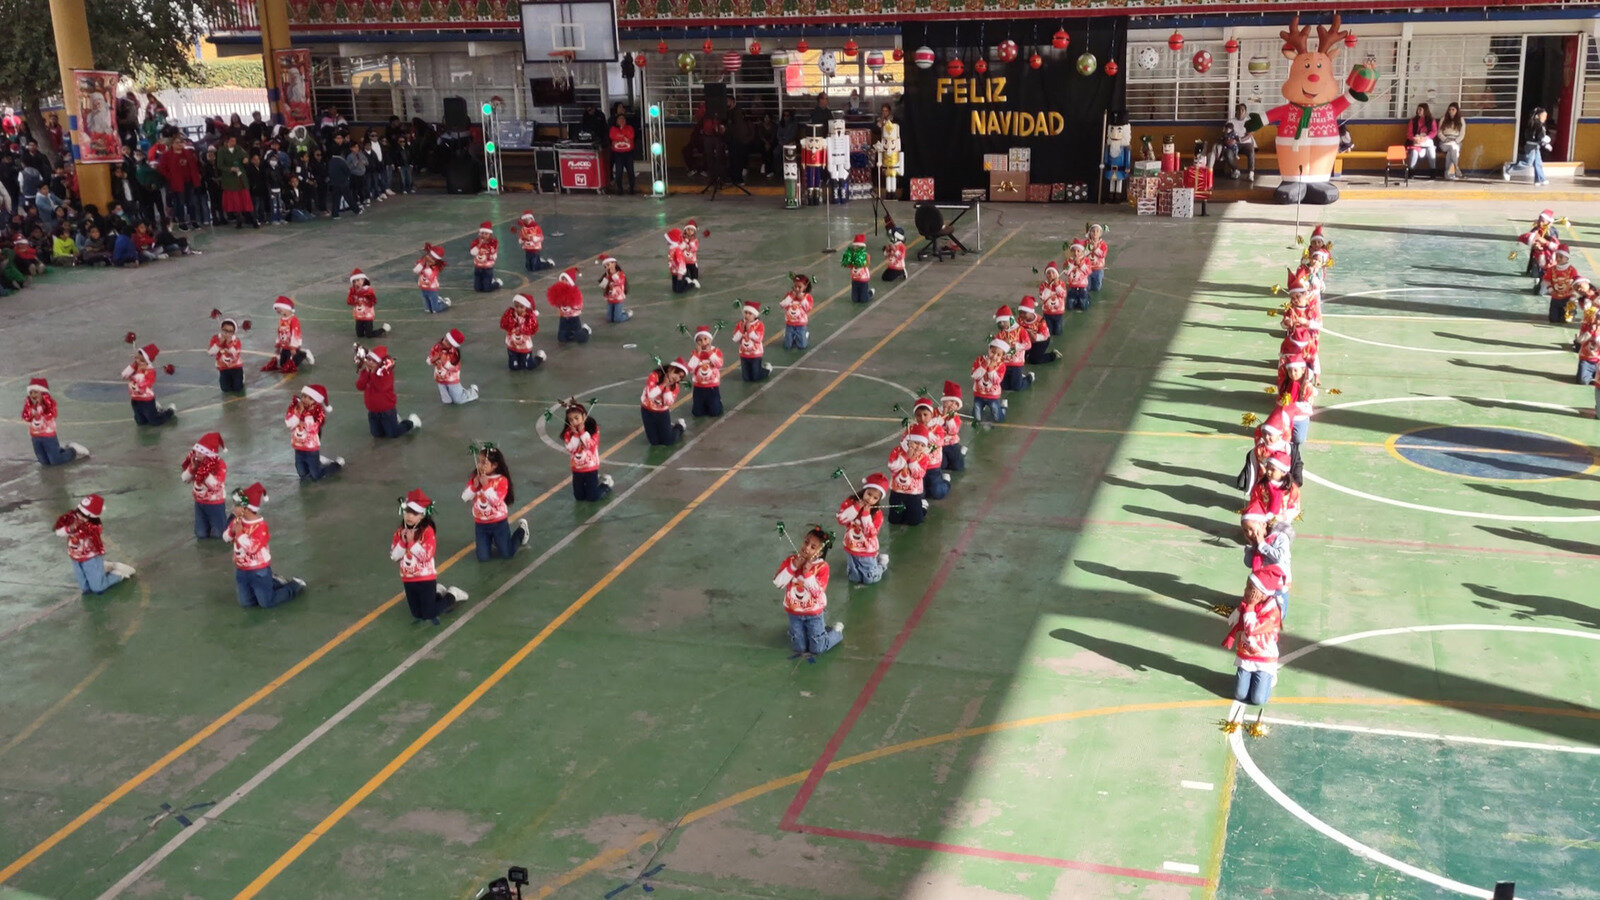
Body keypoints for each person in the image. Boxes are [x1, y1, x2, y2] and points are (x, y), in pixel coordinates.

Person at [1220, 568, 1284, 736]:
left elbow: (1252, 628)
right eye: (1247, 586)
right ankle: (1250, 679)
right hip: (1247, 656)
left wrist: (1249, 607)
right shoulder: (1246, 606)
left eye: (1250, 588)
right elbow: (1238, 621)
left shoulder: (1272, 612)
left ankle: (1269, 677)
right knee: (1240, 694)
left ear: (1262, 593)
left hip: (1264, 658)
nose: (1246, 591)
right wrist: (1241, 610)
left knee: (1258, 700)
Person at [391, 489, 468, 625]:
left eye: (414, 513)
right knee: (417, 614)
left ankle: (452, 595)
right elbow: (394, 556)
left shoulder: (427, 532)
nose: (409, 516)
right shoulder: (399, 532)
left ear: (421, 516)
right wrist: (403, 542)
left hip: (425, 578)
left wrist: (412, 543)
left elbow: (426, 556)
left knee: (428, 614)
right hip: (408, 578)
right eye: (407, 512)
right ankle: (438, 592)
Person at [225, 483, 306, 609]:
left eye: (236, 505)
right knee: (246, 603)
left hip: (258, 570)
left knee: (267, 602)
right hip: (241, 570)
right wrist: (232, 531)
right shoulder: (237, 521)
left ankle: (294, 586)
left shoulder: (260, 527)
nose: (233, 508)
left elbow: (252, 548)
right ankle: (271, 583)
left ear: (246, 509)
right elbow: (226, 537)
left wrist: (240, 533)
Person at [773, 525, 844, 659]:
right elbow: (778, 583)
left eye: (813, 547)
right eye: (806, 542)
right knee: (799, 648)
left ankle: (835, 633)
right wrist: (793, 567)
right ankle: (809, 633)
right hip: (794, 613)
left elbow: (818, 593)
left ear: (820, 552)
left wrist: (808, 575)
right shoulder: (791, 561)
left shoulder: (822, 567)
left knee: (817, 649)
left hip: (814, 613)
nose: (806, 548)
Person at [55, 494, 136, 594]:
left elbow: (90, 532)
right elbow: (59, 532)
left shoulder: (94, 525)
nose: (79, 516)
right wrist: (70, 528)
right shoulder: (70, 518)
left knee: (98, 588)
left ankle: (118, 574)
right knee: (85, 588)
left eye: (83, 515)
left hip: (91, 557)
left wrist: (79, 527)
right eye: (79, 512)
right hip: (75, 557)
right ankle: (101, 569)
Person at [463, 446, 530, 561]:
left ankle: (522, 530)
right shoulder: (476, 477)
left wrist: (486, 485)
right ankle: (492, 540)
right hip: (481, 524)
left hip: (498, 523)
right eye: (479, 461)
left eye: (484, 462)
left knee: (507, 554)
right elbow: (465, 497)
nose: (479, 465)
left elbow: (496, 501)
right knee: (483, 558)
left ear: (494, 465)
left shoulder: (501, 480)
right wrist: (474, 487)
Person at [355, 345, 422, 438]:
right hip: (373, 411)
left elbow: (381, 387)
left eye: (373, 361)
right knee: (376, 434)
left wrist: (373, 373)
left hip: (387, 410)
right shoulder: (366, 372)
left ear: (380, 363)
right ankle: (393, 422)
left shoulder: (386, 374)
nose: (369, 363)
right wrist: (367, 373)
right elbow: (359, 386)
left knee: (393, 434)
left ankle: (411, 423)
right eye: (369, 360)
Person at [836, 473, 890, 584]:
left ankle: (882, 564)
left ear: (878, 500)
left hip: (867, 549)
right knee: (853, 578)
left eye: (875, 498)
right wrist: (856, 507)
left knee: (870, 579)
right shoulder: (851, 502)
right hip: (851, 546)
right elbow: (841, 520)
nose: (870, 499)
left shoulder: (877, 513)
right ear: (864, 491)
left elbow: (871, 533)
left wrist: (866, 515)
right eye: (869, 494)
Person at [23, 378, 89, 466]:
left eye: (36, 392)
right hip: (35, 436)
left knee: (56, 461)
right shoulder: (30, 406)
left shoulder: (48, 405)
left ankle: (73, 450)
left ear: (42, 393)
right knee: (44, 462)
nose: (33, 395)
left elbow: (50, 414)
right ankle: (59, 451)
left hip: (48, 435)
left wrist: (41, 408)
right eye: (31, 393)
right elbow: (27, 417)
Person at [284, 384, 343, 482]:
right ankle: (315, 462)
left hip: (311, 446)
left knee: (316, 476)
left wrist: (305, 418)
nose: (305, 399)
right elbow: (289, 423)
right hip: (298, 446)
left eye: (310, 398)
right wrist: (298, 412)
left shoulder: (318, 410)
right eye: (304, 396)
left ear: (315, 400)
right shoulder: (296, 406)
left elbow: (316, 427)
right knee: (302, 474)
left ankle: (335, 465)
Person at [560, 400, 613, 501]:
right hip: (577, 467)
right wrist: (575, 435)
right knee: (579, 497)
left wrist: (582, 432)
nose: (574, 422)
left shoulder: (593, 429)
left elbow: (591, 446)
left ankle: (606, 484)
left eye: (577, 418)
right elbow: (571, 449)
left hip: (591, 466)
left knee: (593, 498)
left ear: (584, 416)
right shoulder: (569, 432)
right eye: (571, 420)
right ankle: (591, 486)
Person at [180, 432, 229, 540]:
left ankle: (231, 522)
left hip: (215, 502)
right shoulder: (196, 463)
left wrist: (205, 472)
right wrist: (193, 468)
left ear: (209, 453)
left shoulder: (220, 465)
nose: (197, 455)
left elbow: (216, 485)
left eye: (201, 453)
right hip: (200, 502)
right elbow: (184, 478)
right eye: (197, 451)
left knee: (219, 535)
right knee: (200, 534)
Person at [886, 425, 932, 526]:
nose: (918, 447)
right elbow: (892, 467)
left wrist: (912, 460)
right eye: (915, 443)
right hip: (897, 490)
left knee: (914, 521)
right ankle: (906, 511)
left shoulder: (923, 457)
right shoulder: (897, 451)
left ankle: (922, 506)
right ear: (908, 441)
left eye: (922, 445)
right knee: (893, 520)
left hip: (913, 493)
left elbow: (919, 474)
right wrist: (905, 455)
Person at [122, 343, 176, 426]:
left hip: (146, 400)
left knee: (155, 421)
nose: (137, 359)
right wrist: (133, 368)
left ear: (146, 360)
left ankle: (170, 411)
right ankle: (155, 409)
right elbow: (124, 375)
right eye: (137, 357)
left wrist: (138, 373)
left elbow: (142, 386)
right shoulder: (135, 367)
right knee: (140, 422)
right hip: (135, 399)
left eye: (140, 358)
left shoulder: (150, 372)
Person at [640, 358, 689, 446]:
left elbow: (668, 403)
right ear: (670, 368)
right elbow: (651, 395)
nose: (677, 377)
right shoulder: (654, 376)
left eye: (680, 377)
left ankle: (680, 426)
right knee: (654, 442)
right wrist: (663, 384)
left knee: (668, 441)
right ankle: (667, 427)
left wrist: (667, 387)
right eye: (676, 373)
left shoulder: (675, 387)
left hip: (662, 413)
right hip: (647, 411)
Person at [263, 296, 314, 373]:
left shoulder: (294, 320)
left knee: (293, 363)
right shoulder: (281, 320)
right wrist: (278, 344)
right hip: (285, 346)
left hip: (292, 346)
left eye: (280, 308)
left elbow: (295, 334)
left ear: (287, 308)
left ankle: (303, 354)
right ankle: (297, 354)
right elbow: (279, 332)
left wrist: (293, 347)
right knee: (283, 365)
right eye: (276, 309)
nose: (278, 310)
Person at [428, 328, 479, 404]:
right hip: (439, 378)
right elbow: (429, 360)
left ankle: (473, 392)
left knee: (459, 400)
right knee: (447, 401)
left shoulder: (454, 353)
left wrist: (442, 362)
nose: (444, 343)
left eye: (448, 343)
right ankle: (457, 392)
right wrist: (433, 360)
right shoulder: (437, 347)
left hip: (451, 378)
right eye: (445, 340)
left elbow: (453, 368)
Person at [1504, 107, 1552, 186]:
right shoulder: (1536, 124)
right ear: (1538, 115)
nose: (1545, 118)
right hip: (1531, 146)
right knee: (1528, 163)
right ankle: (1509, 168)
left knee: (1538, 163)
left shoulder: (1538, 124)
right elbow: (1538, 137)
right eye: (1543, 116)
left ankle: (1539, 179)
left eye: (1546, 116)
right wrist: (1545, 143)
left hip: (1536, 146)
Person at [500, 293, 547, 371]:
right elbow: (504, 324)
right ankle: (519, 360)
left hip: (524, 344)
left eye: (522, 307)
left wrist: (521, 323)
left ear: (526, 307)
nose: (518, 309)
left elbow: (532, 330)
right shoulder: (510, 314)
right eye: (516, 307)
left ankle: (540, 357)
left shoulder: (530, 317)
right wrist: (513, 320)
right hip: (512, 344)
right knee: (514, 367)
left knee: (528, 366)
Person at [547, 266, 592, 344]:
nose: (564, 281)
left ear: (570, 281)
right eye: (563, 279)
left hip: (574, 317)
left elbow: (579, 306)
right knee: (561, 338)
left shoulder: (576, 292)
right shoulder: (559, 291)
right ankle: (569, 334)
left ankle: (585, 329)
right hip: (564, 317)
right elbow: (556, 303)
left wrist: (571, 305)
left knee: (580, 339)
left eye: (566, 280)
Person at [688, 325, 724, 418]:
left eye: (705, 339)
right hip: (699, 386)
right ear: (696, 342)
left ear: (710, 340)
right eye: (700, 340)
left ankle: (718, 404)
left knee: (714, 413)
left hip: (712, 386)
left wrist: (710, 353)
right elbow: (690, 368)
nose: (703, 342)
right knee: (697, 413)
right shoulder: (695, 353)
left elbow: (719, 364)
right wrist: (697, 354)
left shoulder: (715, 351)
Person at [731, 301, 771, 381]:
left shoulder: (759, 325)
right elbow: (735, 339)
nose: (747, 315)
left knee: (756, 377)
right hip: (743, 354)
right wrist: (741, 330)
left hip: (756, 354)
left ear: (755, 315)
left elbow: (758, 339)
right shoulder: (740, 324)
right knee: (746, 378)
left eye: (750, 313)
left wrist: (749, 330)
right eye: (746, 313)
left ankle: (767, 370)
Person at [971, 339, 1008, 424]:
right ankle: (980, 408)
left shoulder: (1001, 365)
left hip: (992, 396)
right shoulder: (980, 360)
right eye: (993, 352)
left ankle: (1003, 408)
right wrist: (984, 366)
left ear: (1002, 356)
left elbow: (997, 381)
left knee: (999, 419)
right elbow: (974, 376)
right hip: (979, 393)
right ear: (989, 349)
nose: (994, 356)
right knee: (976, 419)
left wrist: (991, 369)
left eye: (998, 355)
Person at [347, 267, 390, 338]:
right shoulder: (353, 291)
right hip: (358, 316)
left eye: (358, 280)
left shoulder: (369, 291)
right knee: (359, 335)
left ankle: (383, 330)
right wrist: (352, 296)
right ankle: (365, 330)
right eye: (354, 281)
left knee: (369, 335)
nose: (356, 283)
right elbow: (349, 302)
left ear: (363, 280)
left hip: (368, 316)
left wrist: (364, 296)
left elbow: (373, 302)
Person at [207, 316, 246, 393]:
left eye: (230, 331)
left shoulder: (236, 341)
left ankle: (242, 377)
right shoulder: (215, 338)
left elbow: (235, 356)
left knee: (238, 388)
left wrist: (229, 345)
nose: (227, 334)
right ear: (221, 329)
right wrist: (219, 344)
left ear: (233, 332)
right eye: (225, 330)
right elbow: (210, 353)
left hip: (236, 367)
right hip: (223, 368)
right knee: (225, 389)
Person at [1222, 103, 1257, 180]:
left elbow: (1249, 135)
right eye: (1239, 110)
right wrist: (1229, 140)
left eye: (1242, 110)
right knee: (1227, 154)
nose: (1240, 111)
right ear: (1236, 111)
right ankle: (1235, 170)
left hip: (1245, 144)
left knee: (1251, 150)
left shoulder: (1249, 121)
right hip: (1232, 145)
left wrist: (1238, 140)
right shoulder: (1231, 121)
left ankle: (1251, 173)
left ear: (1245, 111)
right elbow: (1225, 134)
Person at [779, 273, 814, 350]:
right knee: (787, 346)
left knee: (802, 346)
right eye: (795, 286)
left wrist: (802, 299)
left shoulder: (807, 297)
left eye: (799, 287)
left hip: (801, 324)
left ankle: (804, 334)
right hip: (790, 323)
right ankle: (789, 336)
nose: (797, 289)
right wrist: (791, 297)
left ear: (805, 287)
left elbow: (808, 308)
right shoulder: (789, 295)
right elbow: (782, 305)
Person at [413, 243, 450, 313]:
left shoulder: (435, 268)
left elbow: (430, 277)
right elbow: (416, 270)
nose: (429, 258)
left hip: (431, 289)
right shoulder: (422, 263)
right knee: (427, 309)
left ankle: (445, 303)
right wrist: (422, 262)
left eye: (433, 258)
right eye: (429, 256)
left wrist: (425, 266)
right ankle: (435, 301)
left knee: (435, 310)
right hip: (423, 287)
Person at [937, 381, 966, 471]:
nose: (953, 405)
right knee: (942, 466)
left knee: (958, 467)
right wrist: (942, 416)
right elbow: (934, 427)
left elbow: (953, 431)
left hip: (952, 444)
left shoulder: (955, 417)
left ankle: (960, 452)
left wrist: (950, 419)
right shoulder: (934, 413)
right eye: (951, 401)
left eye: (956, 404)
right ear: (944, 400)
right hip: (938, 445)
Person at [1405, 103, 1438, 175]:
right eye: (1418, 109)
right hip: (1417, 144)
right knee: (1414, 152)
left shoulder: (1431, 120)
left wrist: (1426, 138)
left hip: (1427, 142)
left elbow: (1434, 132)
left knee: (1432, 150)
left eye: (1420, 109)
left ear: (1425, 110)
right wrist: (1415, 138)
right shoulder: (1413, 121)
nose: (1418, 111)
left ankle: (1433, 172)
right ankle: (1411, 172)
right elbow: (1409, 133)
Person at [469, 221, 502, 292]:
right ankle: (487, 281)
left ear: (490, 234)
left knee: (486, 288)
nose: (483, 235)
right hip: (478, 267)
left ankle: (497, 283)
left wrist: (491, 251)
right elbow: (472, 252)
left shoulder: (493, 243)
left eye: (486, 234)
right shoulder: (476, 242)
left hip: (487, 268)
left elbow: (494, 256)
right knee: (477, 288)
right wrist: (479, 245)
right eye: (482, 233)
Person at [608, 112, 636, 195]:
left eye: (623, 119)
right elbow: (612, 136)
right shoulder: (613, 128)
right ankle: (620, 189)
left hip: (628, 153)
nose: (622, 120)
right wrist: (624, 137)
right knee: (619, 171)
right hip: (618, 154)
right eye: (619, 119)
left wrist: (619, 137)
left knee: (630, 171)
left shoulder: (629, 128)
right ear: (616, 121)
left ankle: (631, 188)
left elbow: (631, 135)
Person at [1437, 103, 1466, 180]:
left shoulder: (1461, 120)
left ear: (1457, 110)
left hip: (1456, 141)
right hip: (1445, 142)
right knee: (1453, 148)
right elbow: (1439, 133)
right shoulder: (1443, 119)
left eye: (1453, 109)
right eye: (1449, 109)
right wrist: (1446, 139)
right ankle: (1456, 168)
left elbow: (1462, 134)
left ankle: (1448, 174)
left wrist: (1455, 141)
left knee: (1452, 149)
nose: (1451, 111)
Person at [599, 255, 631, 322]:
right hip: (610, 298)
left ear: (614, 263)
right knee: (609, 319)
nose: (607, 267)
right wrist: (607, 277)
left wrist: (613, 274)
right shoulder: (607, 276)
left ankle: (627, 314)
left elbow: (619, 282)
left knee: (617, 319)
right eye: (606, 266)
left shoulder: (621, 274)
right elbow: (602, 286)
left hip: (618, 298)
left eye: (608, 265)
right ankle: (618, 312)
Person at [842, 233, 873, 303]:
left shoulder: (866, 255)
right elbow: (848, 265)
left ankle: (870, 293)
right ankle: (862, 294)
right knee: (854, 299)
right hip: (855, 278)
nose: (855, 248)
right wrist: (847, 261)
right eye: (855, 247)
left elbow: (867, 264)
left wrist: (858, 262)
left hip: (863, 279)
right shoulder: (852, 255)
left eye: (857, 247)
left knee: (863, 300)